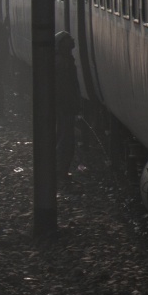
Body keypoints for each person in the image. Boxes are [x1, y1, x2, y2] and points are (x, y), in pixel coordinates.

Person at [55, 31, 81, 183]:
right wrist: (73, 104)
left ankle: (61, 171)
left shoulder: (63, 60)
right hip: (65, 106)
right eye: (68, 39)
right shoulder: (62, 62)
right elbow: (66, 87)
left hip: (64, 105)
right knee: (66, 139)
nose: (72, 40)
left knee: (64, 138)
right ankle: (61, 172)